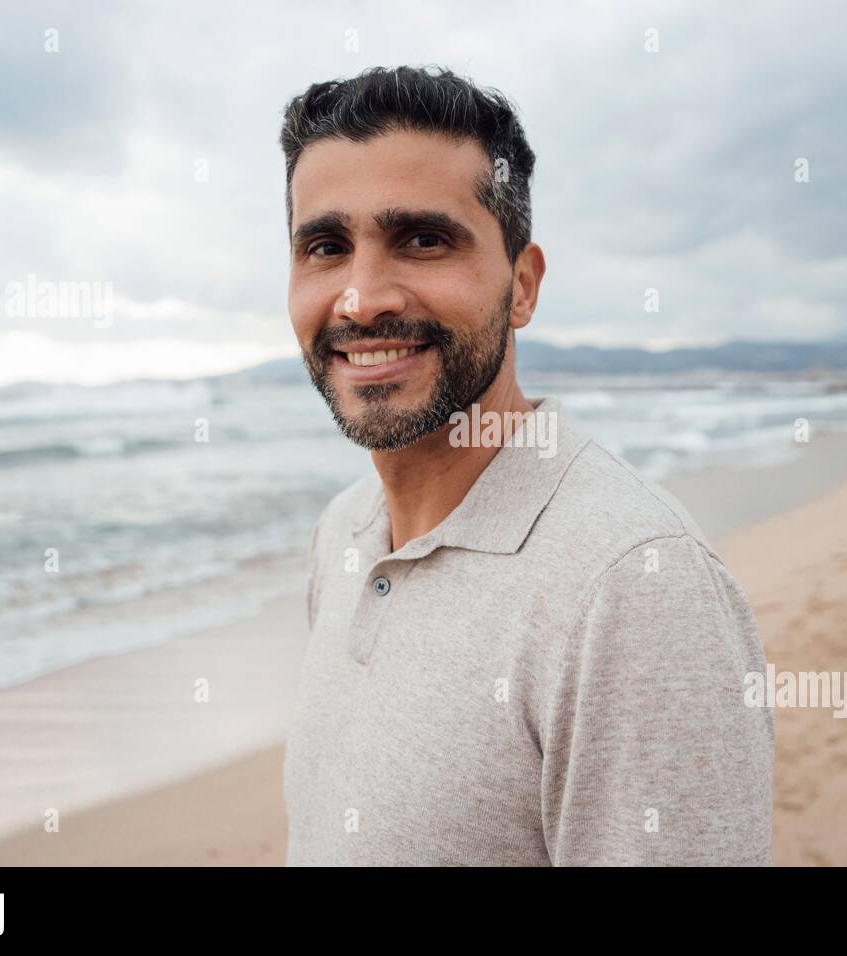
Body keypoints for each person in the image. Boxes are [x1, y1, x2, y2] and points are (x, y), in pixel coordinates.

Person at [280, 65, 773, 865]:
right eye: (326, 247)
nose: (361, 299)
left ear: (522, 286)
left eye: (424, 239)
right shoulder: (343, 532)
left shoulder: (635, 587)